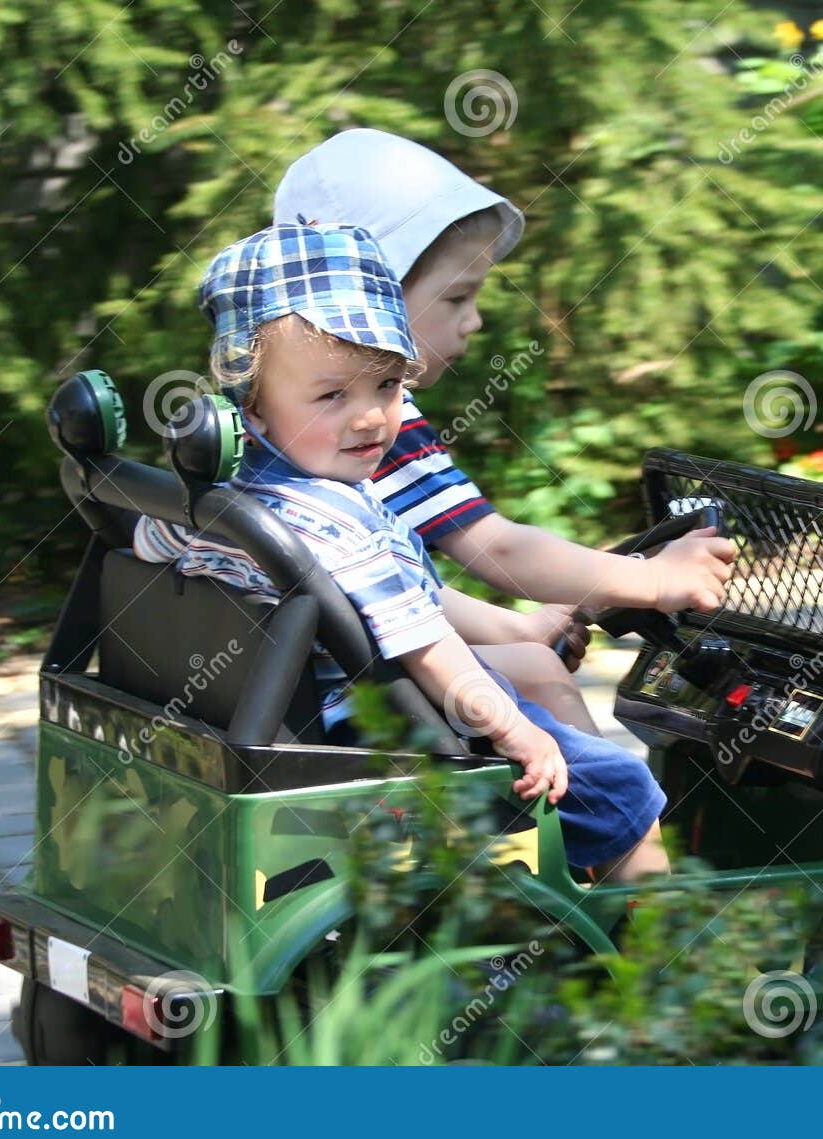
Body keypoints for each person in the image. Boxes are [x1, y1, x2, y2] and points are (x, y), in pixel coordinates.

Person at [138, 129, 737, 734]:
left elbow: (375, 580)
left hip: (282, 686)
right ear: (371, 299)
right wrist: (653, 579)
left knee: (530, 657)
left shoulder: (266, 430)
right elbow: (498, 551)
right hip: (343, 703)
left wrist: (518, 627)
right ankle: (615, 825)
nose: (474, 321)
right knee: (549, 689)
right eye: (456, 297)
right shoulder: (361, 434)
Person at [167, 222, 668, 881]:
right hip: (392, 748)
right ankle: (658, 945)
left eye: (387, 386)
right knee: (622, 786)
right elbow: (428, 649)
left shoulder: (221, 499)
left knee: (531, 679)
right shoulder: (331, 517)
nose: (371, 417)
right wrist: (518, 736)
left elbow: (404, 597)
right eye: (332, 395)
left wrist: (519, 628)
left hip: (312, 730)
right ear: (254, 406)